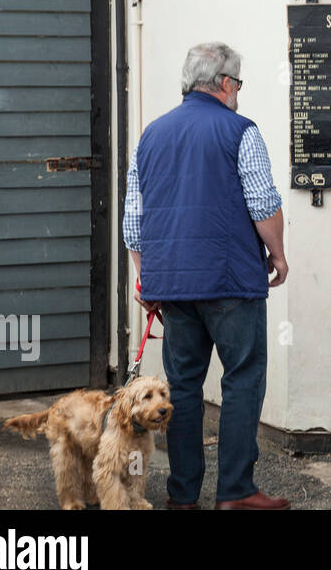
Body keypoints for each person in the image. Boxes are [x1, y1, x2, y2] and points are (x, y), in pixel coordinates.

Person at [123, 42, 289, 510]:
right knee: (242, 378)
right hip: (231, 280)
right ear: (223, 83)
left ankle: (182, 496)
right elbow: (262, 203)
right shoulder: (241, 131)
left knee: (183, 388)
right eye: (237, 84)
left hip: (171, 286)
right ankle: (235, 491)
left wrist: (146, 278)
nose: (238, 93)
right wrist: (278, 255)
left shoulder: (150, 135)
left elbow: (133, 221)